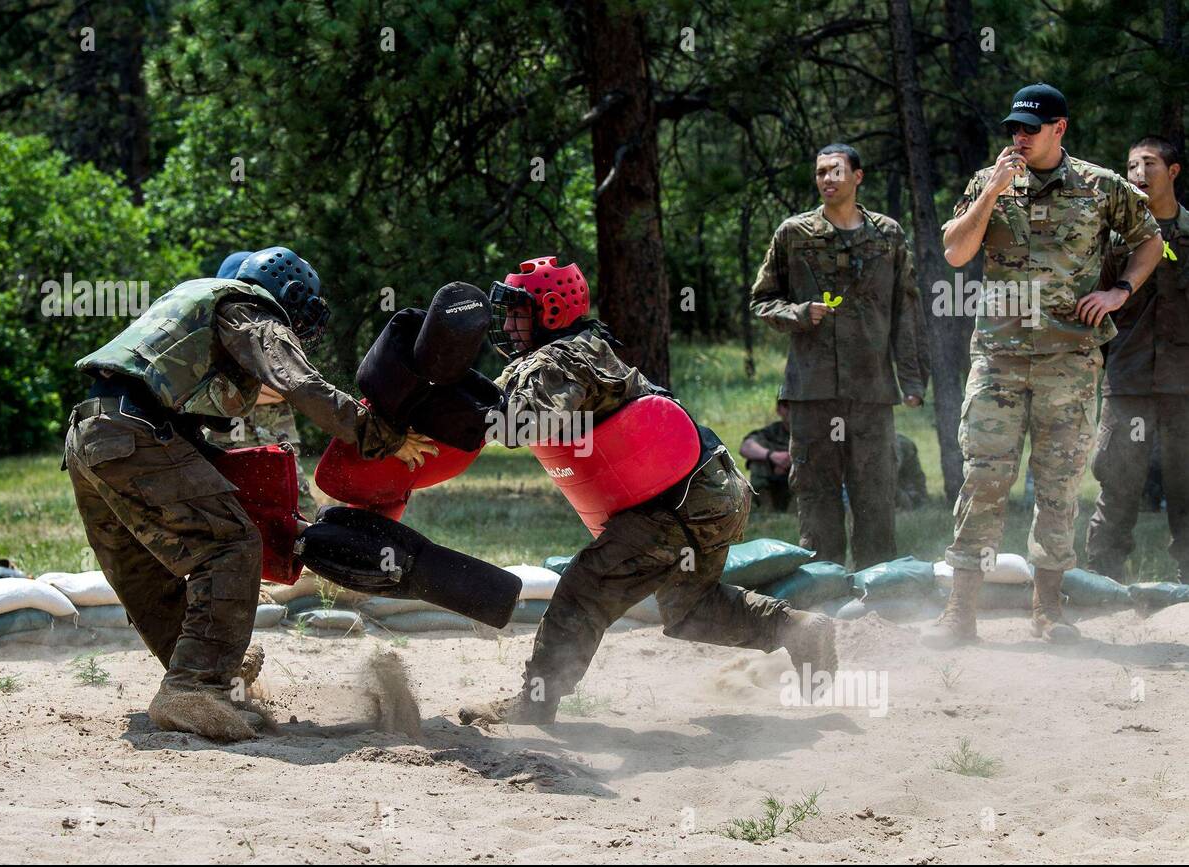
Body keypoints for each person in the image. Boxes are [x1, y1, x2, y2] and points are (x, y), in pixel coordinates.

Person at [65, 247, 435, 741]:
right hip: (134, 432)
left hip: (90, 433)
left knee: (145, 568)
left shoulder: (196, 303)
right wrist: (379, 434)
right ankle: (196, 684)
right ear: (288, 293)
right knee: (232, 544)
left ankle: (206, 677)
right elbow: (302, 384)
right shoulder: (249, 309)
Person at [458, 256, 837, 727]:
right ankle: (799, 630)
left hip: (675, 502)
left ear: (550, 310)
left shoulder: (560, 358)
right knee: (690, 607)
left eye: (518, 312)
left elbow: (522, 421)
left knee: (584, 589)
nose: (509, 324)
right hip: (710, 491)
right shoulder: (581, 349)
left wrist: (451, 408)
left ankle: (535, 706)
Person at [934, 85, 1162, 642]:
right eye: (1015, 127)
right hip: (1000, 359)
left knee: (1058, 483)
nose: (1020, 137)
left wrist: (1120, 292)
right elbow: (956, 252)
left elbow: (1150, 239)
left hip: (1070, 358)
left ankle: (1048, 613)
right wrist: (991, 190)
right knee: (985, 477)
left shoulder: (1102, 187)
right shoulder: (990, 182)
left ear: (1059, 128)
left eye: (1031, 129)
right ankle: (960, 614)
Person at [750, 143, 929, 569]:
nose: (827, 179)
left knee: (874, 493)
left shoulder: (888, 235)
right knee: (816, 492)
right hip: (813, 392)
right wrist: (798, 313)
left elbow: (906, 310)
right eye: (820, 173)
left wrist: (913, 381)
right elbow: (762, 300)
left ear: (858, 177)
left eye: (836, 171)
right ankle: (822, 589)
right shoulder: (793, 234)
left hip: (871, 392)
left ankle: (878, 592)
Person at [1085, 136, 1189, 583]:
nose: (1139, 174)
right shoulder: (1113, 238)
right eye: (1130, 167)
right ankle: (1100, 586)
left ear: (1173, 171)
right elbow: (1090, 307)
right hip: (1127, 383)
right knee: (1119, 487)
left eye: (1149, 163)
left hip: (1184, 389)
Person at [204, 251, 317, 517]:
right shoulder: (211, 334)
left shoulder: (275, 328)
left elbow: (288, 387)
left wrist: (246, 387)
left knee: (301, 514)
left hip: (279, 440)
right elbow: (214, 390)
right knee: (235, 515)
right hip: (227, 445)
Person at [739, 400, 792, 511]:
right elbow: (746, 447)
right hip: (774, 484)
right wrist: (772, 456)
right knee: (757, 460)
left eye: (795, 405)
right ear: (779, 409)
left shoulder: (812, 432)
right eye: (786, 405)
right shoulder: (772, 431)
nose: (791, 410)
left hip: (800, 485)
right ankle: (764, 506)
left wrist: (790, 462)